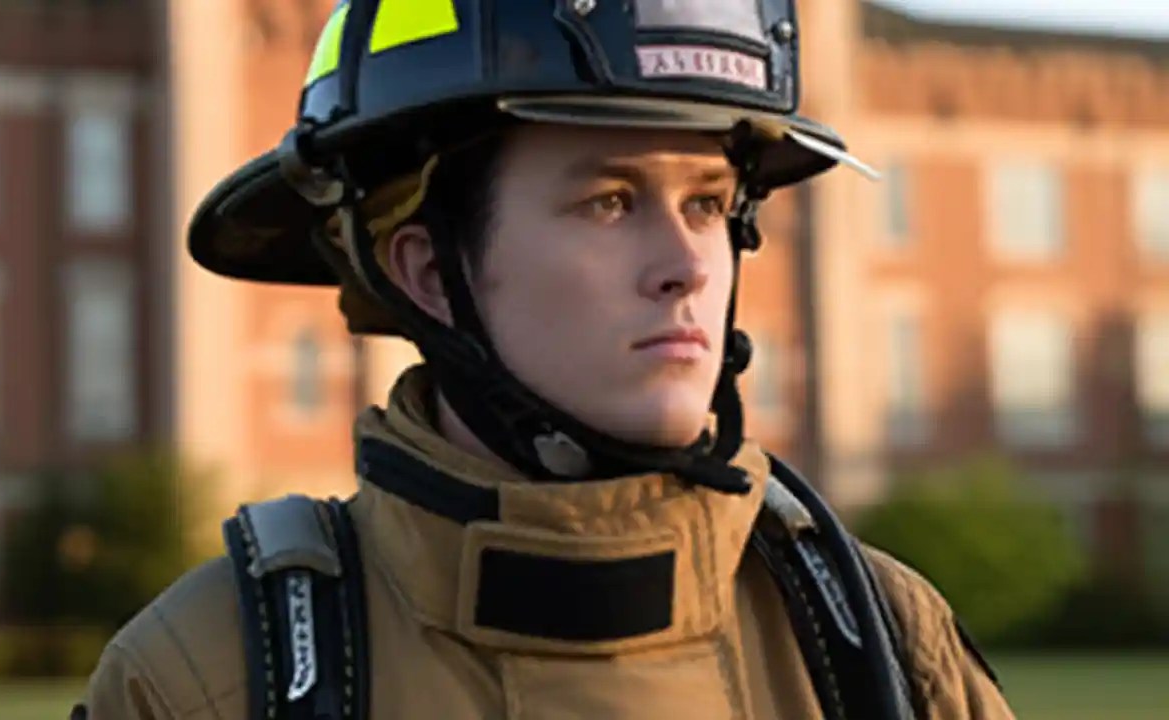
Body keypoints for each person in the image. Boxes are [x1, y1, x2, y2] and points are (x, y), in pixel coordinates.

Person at [78, 1, 1015, 718]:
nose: (688, 266)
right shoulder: (211, 678)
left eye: (705, 205)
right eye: (610, 202)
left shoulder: (879, 647)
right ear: (432, 273)